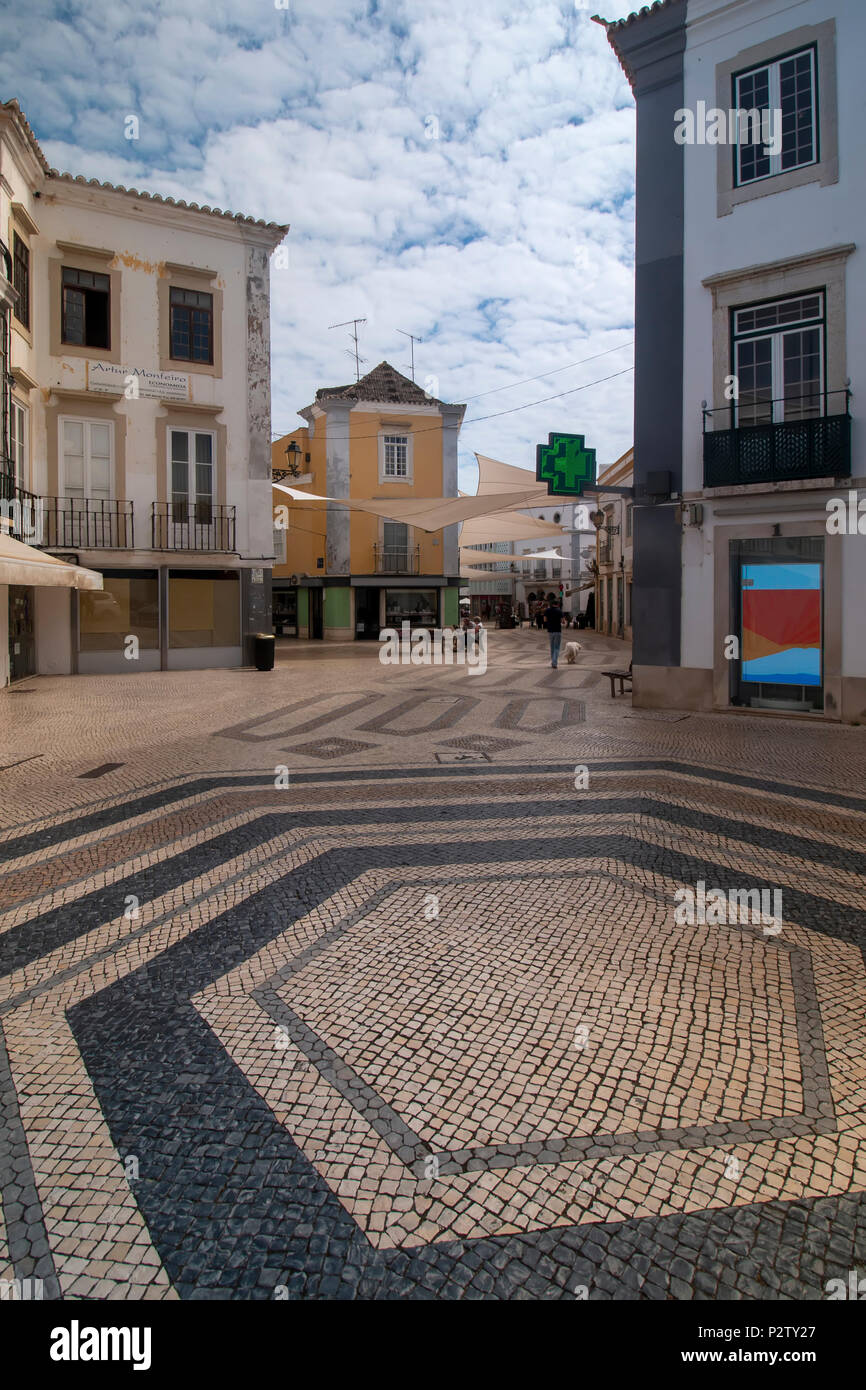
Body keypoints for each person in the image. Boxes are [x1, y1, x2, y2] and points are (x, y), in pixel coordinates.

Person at [544, 598, 563, 668]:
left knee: (552, 647)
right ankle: (554, 662)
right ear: (557, 604)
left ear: (551, 604)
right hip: (558, 631)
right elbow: (562, 621)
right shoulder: (559, 611)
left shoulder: (547, 610)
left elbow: (545, 620)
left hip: (550, 631)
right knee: (557, 647)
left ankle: (553, 661)